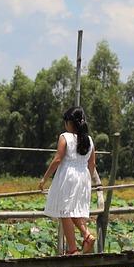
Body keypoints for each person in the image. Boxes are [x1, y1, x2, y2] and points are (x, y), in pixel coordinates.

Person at [40, 105, 100, 254]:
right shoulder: (89, 140)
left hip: (68, 176)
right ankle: (86, 235)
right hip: (83, 177)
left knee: (64, 212)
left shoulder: (65, 137)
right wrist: (87, 181)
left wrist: (44, 179)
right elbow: (92, 164)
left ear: (69, 122)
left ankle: (72, 249)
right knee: (72, 211)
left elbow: (57, 159)